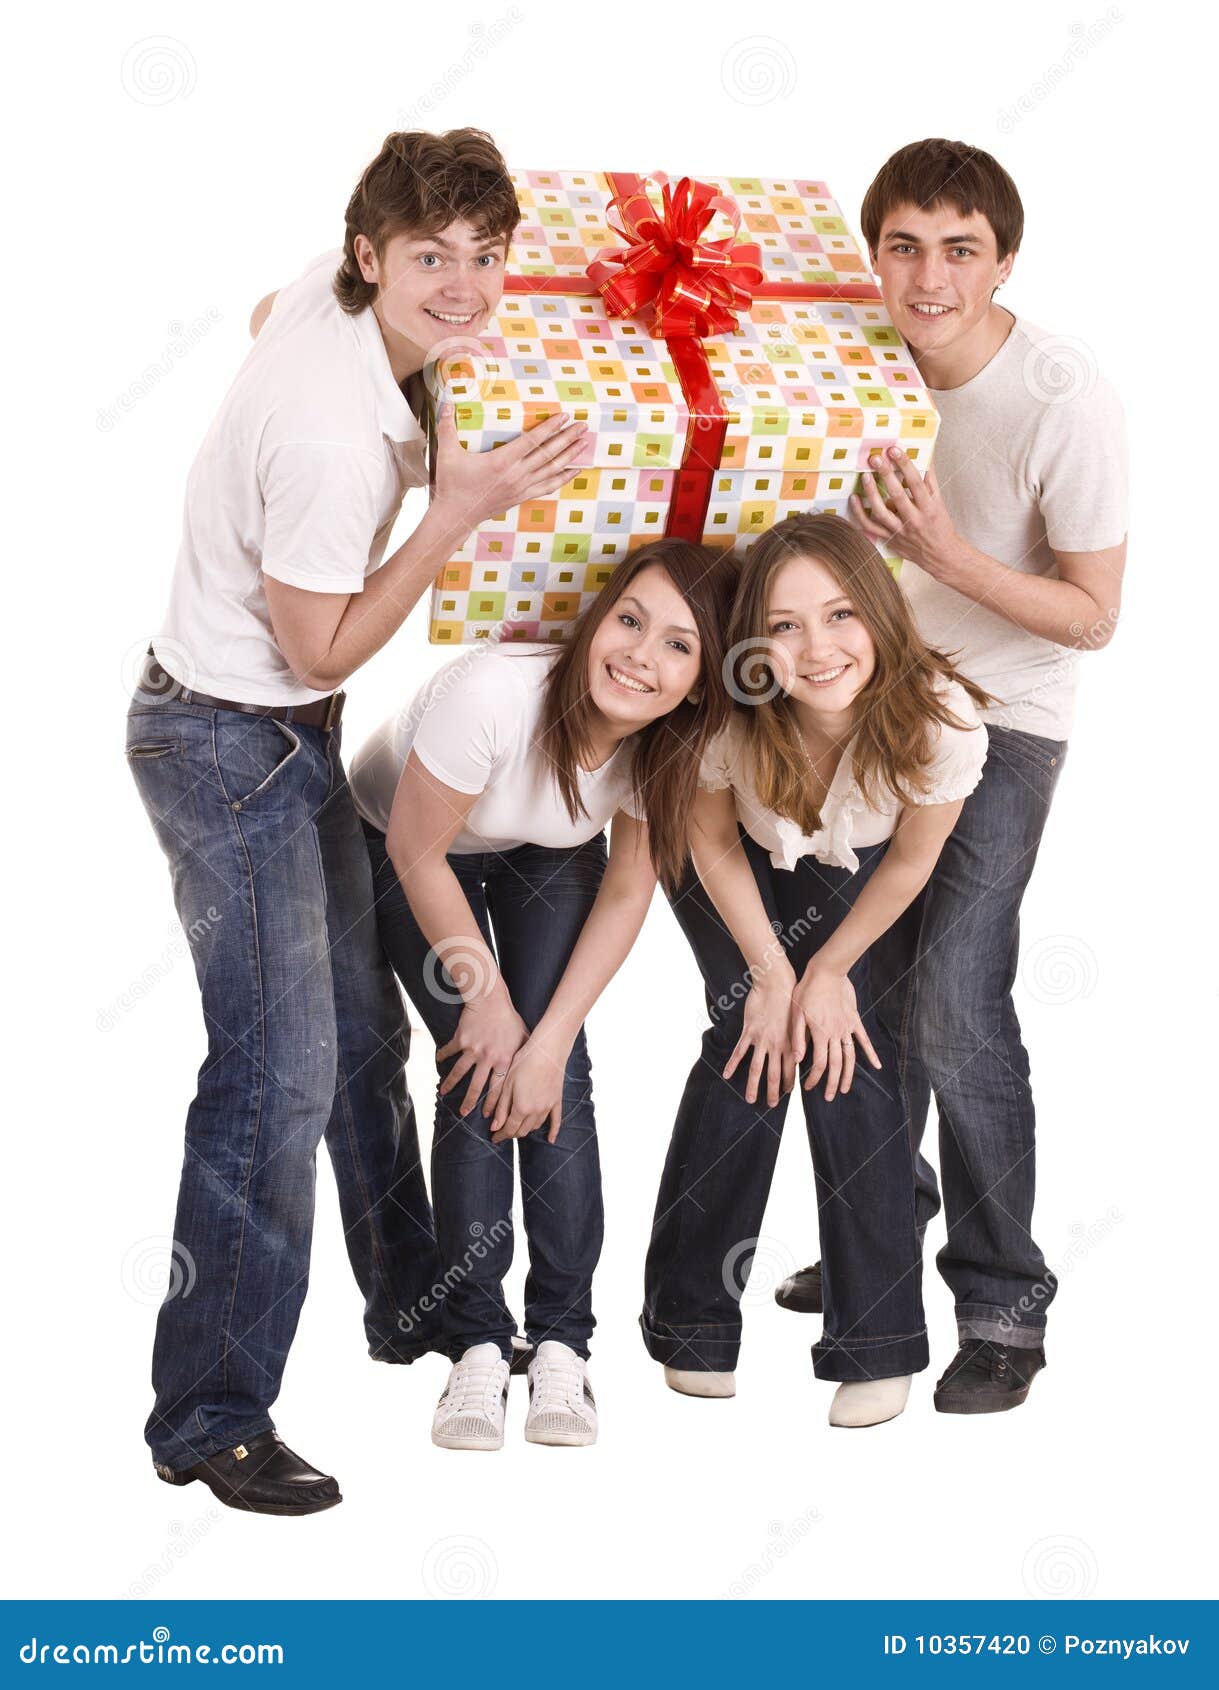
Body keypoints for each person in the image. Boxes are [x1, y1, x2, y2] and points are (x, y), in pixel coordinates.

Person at [124, 128, 591, 1513]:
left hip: (277, 732)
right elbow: (320, 647)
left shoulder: (325, 298)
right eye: (429, 259)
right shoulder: (333, 446)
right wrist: (452, 511)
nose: (463, 288)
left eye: (484, 257)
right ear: (368, 254)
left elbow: (266, 314)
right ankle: (210, 1415)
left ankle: (409, 1304)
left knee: (357, 1030)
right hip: (229, 742)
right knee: (273, 1079)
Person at [773, 138, 1128, 1415]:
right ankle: (884, 1216)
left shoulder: (1061, 396)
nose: (929, 279)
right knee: (861, 989)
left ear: (1004, 262)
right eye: (905, 247)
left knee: (956, 1002)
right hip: (871, 710)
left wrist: (945, 554)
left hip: (1006, 716)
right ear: (873, 256)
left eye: (960, 250)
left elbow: (1094, 616)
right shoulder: (853, 365)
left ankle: (1001, 1301)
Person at [349, 539, 734, 1450]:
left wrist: (552, 1037)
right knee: (480, 1068)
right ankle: (476, 1343)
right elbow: (415, 850)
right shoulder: (494, 693)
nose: (640, 655)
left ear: (700, 680)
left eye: (678, 645)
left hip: (545, 849)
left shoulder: (672, 743)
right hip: (407, 843)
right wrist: (485, 1002)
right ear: (595, 618)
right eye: (629, 620)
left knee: (555, 1074)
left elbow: (629, 887)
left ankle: (562, 1342)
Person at [641, 513, 991, 1427]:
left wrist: (828, 972)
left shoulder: (942, 721)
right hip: (723, 864)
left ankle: (877, 1341)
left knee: (847, 1050)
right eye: (784, 626)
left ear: (879, 611)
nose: (817, 649)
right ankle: (690, 1322)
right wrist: (767, 971)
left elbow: (910, 863)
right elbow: (712, 842)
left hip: (854, 867)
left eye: (840, 615)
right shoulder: (727, 713)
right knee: (750, 1039)